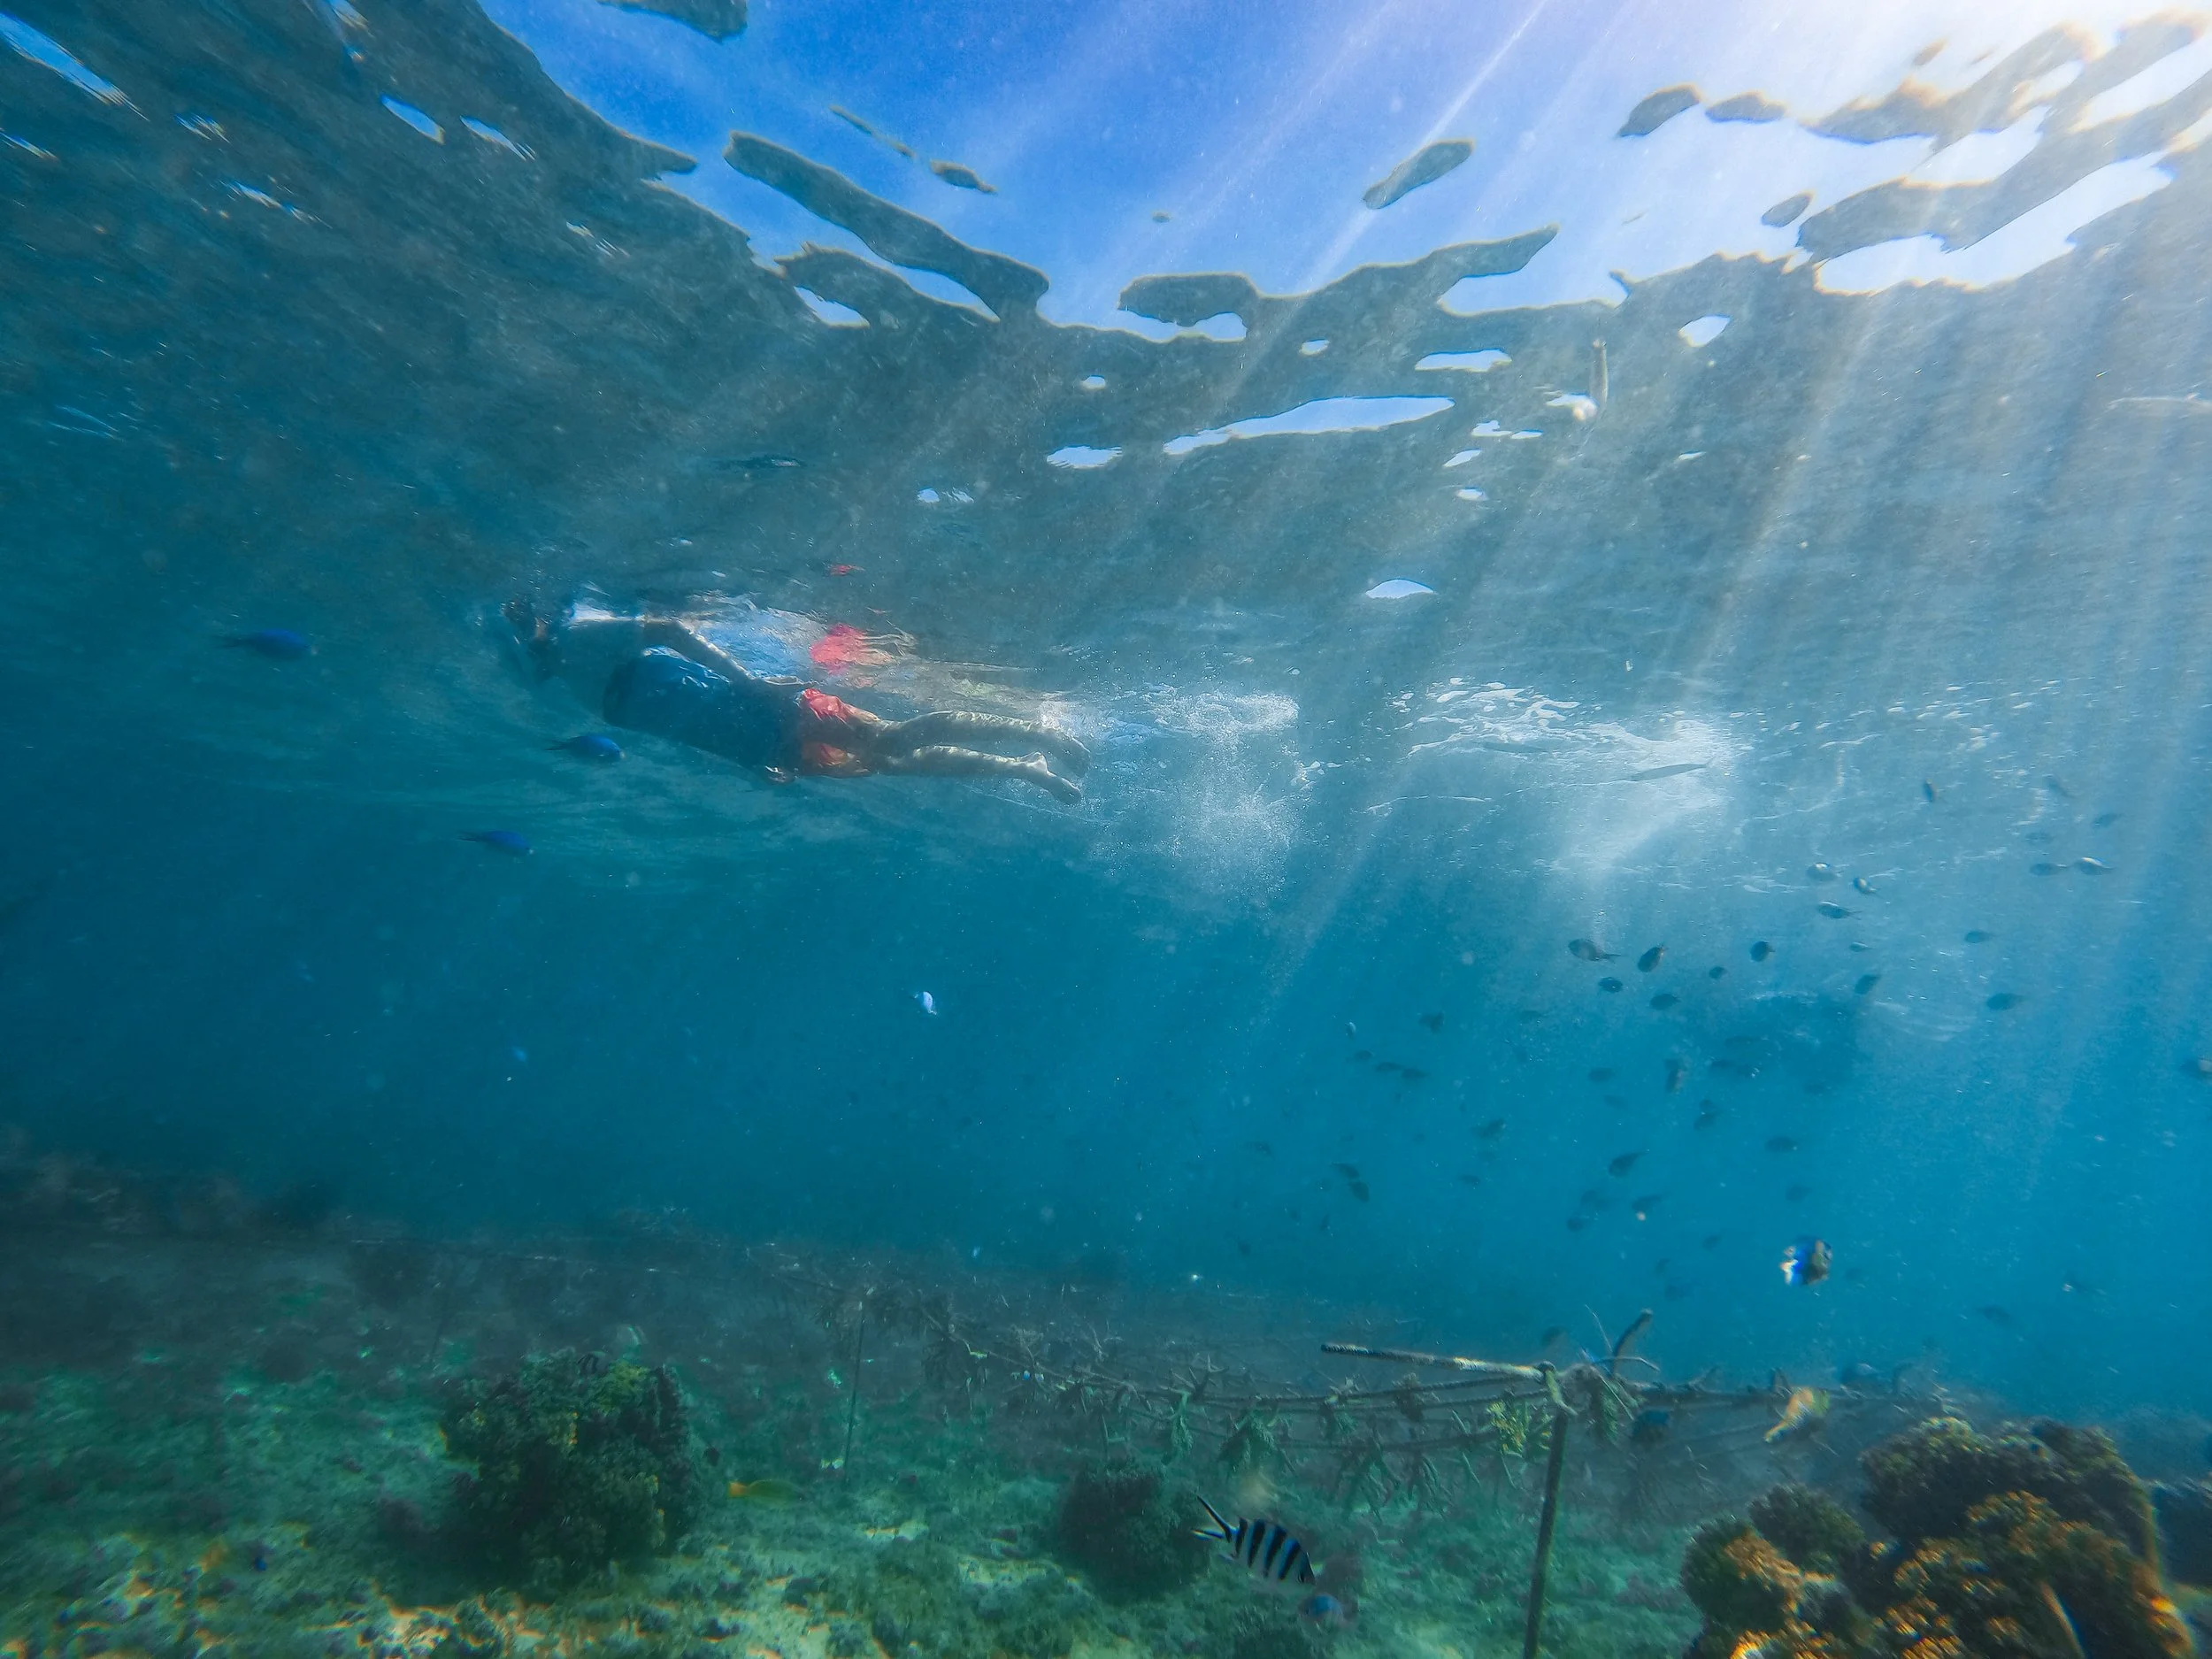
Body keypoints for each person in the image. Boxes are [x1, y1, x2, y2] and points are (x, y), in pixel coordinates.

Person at [504, 597, 1089, 803]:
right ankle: (1024, 768)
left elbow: (671, 630)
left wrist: (750, 682)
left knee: (891, 737)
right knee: (889, 763)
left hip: (766, 706)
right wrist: (754, 761)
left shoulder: (581, 638)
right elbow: (680, 725)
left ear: (533, 621)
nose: (528, 646)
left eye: (523, 626)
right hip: (757, 741)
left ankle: (1035, 735)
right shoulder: (570, 684)